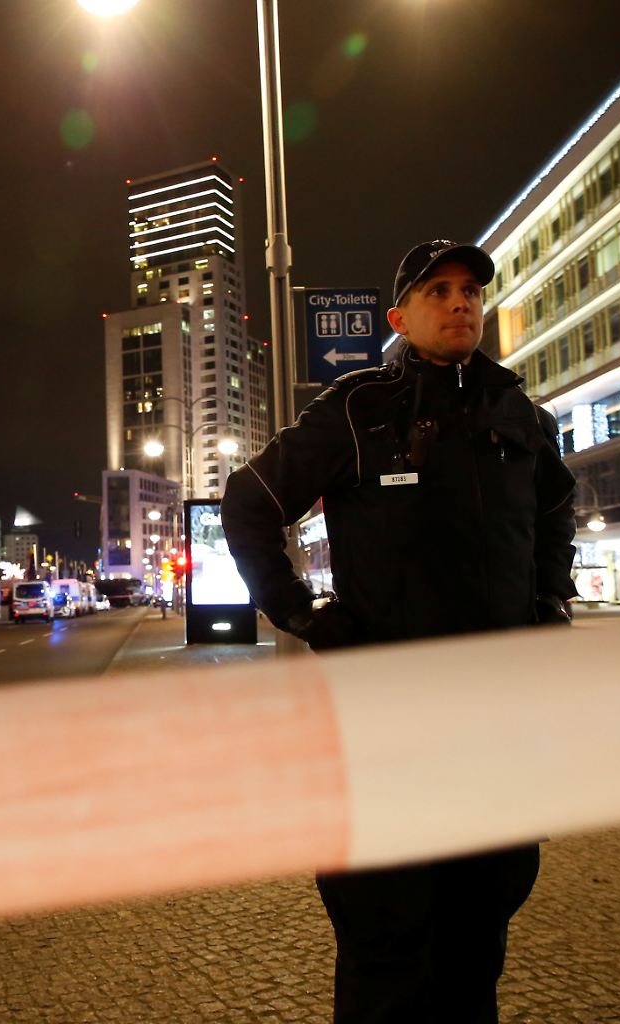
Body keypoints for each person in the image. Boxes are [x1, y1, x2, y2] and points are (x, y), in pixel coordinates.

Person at [221, 239, 577, 1023]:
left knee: (478, 936)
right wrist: (301, 611)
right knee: (386, 941)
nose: (460, 303)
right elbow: (247, 503)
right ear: (399, 318)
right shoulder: (360, 410)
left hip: (497, 726)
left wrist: (552, 599)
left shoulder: (520, 415)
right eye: (437, 291)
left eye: (470, 291)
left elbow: (557, 511)